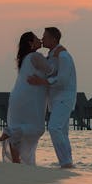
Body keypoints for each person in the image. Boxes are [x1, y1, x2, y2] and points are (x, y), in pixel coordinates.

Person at [0, 31, 50, 165]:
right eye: (37, 38)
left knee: (24, 134)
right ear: (31, 43)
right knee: (37, 129)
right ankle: (11, 132)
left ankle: (17, 162)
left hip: (19, 99)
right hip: (29, 99)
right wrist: (57, 55)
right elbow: (52, 70)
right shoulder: (35, 56)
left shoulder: (25, 59)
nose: (40, 40)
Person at [28, 26, 76, 168]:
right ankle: (67, 162)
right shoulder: (54, 55)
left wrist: (42, 81)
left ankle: (65, 162)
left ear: (53, 39)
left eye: (45, 37)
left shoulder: (63, 56)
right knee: (62, 131)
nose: (42, 39)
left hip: (64, 98)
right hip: (56, 99)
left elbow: (62, 80)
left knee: (54, 128)